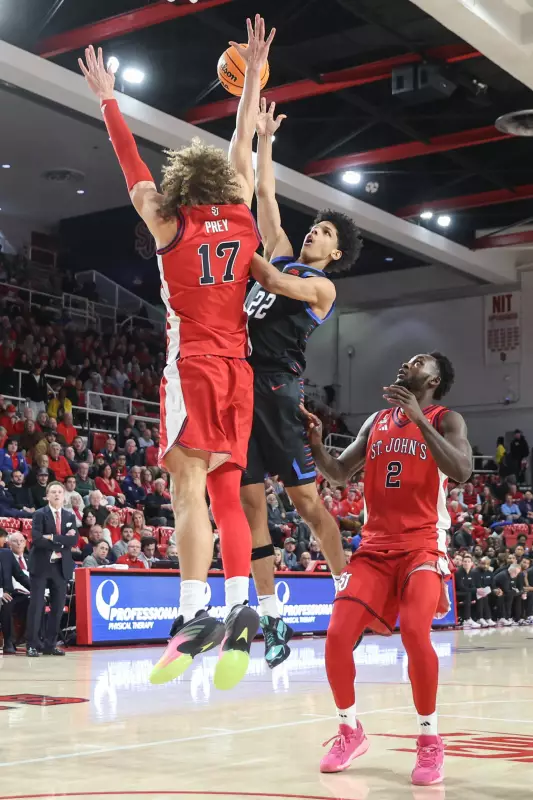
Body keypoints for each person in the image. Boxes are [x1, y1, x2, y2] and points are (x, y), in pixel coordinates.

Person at [78, 25, 313, 691]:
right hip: (239, 371)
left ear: (181, 187)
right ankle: (241, 609)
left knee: (186, 491)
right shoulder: (240, 216)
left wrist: (109, 102)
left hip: (193, 369)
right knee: (227, 495)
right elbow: (240, 148)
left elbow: (133, 172)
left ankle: (191, 616)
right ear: (224, 187)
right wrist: (255, 80)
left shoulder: (166, 219)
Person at [303, 352, 472, 785]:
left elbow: (463, 470)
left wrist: (420, 420)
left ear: (433, 380)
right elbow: (339, 473)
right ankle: (349, 730)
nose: (406, 364)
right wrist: (318, 443)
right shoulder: (376, 421)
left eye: (417, 362)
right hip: (375, 546)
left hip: (421, 544)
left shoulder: (447, 418)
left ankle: (430, 741)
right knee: (338, 635)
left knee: (415, 632)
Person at [239, 97, 363, 669]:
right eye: (314, 225)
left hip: (278, 392)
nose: (314, 232)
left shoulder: (320, 287)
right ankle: (271, 619)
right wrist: (266, 139)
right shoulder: (285, 253)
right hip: (242, 384)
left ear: (334, 253)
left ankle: (348, 591)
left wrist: (233, 246)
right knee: (248, 506)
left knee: (307, 504)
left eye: (324, 232)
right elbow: (266, 198)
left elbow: (263, 273)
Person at [26, 482, 77, 657]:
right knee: (37, 605)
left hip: (60, 567)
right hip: (41, 565)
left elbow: (73, 540)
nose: (57, 495)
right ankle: (32, 644)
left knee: (57, 608)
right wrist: (61, 539)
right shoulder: (40, 514)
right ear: (47, 496)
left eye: (59, 492)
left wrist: (53, 537)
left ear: (64, 496)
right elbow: (37, 539)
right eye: (53, 492)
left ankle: (50, 644)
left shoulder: (70, 516)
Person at [0, 531, 31, 653]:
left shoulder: (7, 554)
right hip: (3, 595)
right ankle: (9, 641)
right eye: (3, 537)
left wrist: (36, 590)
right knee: (6, 603)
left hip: (10, 594)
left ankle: (31, 640)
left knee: (33, 601)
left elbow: (20, 575)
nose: (4, 540)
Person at [455, 553, 479, 628]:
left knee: (483, 594)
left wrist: (478, 590)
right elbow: (461, 587)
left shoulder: (473, 573)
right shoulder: (458, 572)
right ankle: (467, 618)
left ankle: (481, 618)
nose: (466, 563)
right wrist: (475, 590)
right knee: (468, 594)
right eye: (465, 561)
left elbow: (473, 586)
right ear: (462, 563)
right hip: (458, 593)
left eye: (468, 561)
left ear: (472, 563)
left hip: (467, 593)